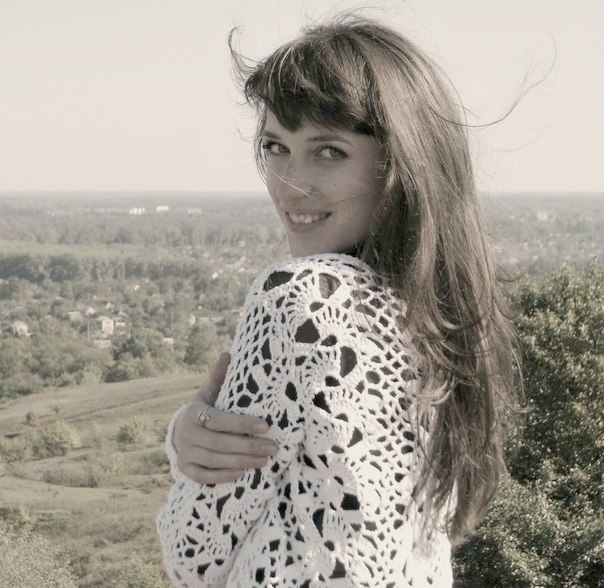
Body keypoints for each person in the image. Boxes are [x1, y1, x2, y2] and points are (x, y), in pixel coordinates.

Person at [157, 13, 517, 587]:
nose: (289, 183)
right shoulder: (443, 317)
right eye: (275, 146)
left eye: (328, 151)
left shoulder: (305, 299)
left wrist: (181, 441)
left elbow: (193, 554)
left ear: (399, 164)